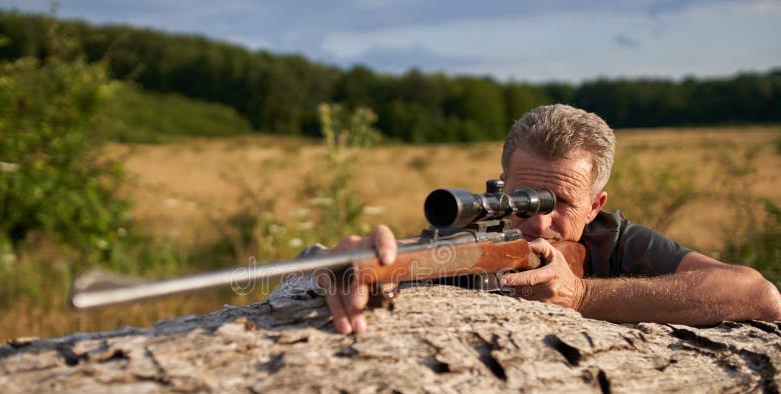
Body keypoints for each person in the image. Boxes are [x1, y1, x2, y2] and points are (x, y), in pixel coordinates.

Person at [320, 104, 781, 334]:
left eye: (560, 203)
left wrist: (581, 294)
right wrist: (357, 263)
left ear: (596, 206)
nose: (538, 222)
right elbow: (385, 265)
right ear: (499, 184)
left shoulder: (617, 243)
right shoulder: (465, 238)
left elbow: (759, 296)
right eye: (523, 197)